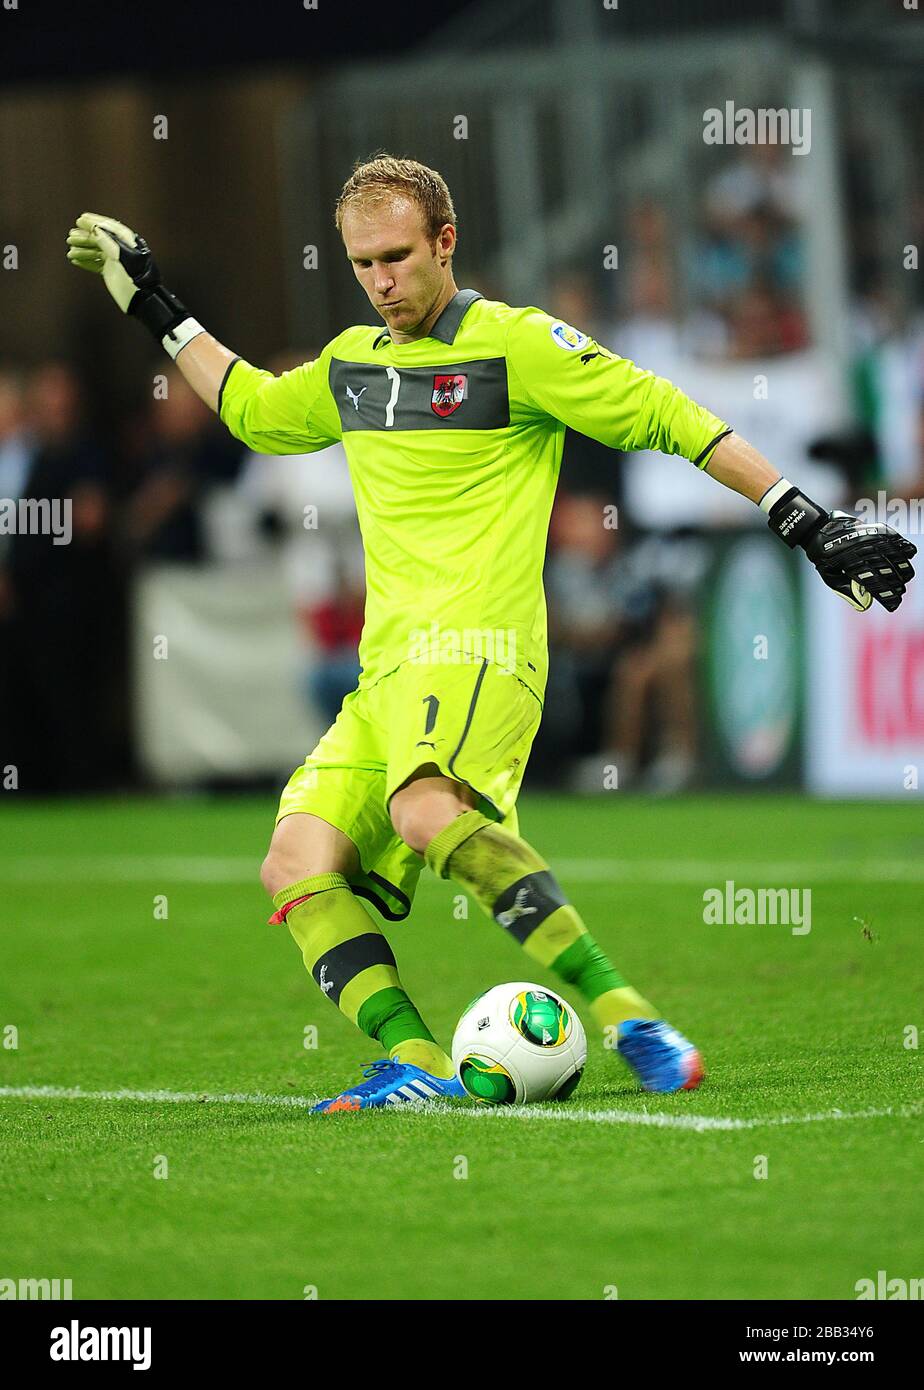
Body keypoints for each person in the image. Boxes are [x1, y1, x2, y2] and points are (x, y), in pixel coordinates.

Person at [66, 156, 916, 1111]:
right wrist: (155, 304)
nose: (383, 282)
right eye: (362, 265)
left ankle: (629, 1013)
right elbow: (252, 410)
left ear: (445, 243)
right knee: (294, 863)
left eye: (397, 257)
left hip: (482, 650)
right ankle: (419, 1064)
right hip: (384, 676)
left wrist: (803, 515)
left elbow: (673, 418)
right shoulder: (354, 366)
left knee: (426, 811)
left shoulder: (520, 349)